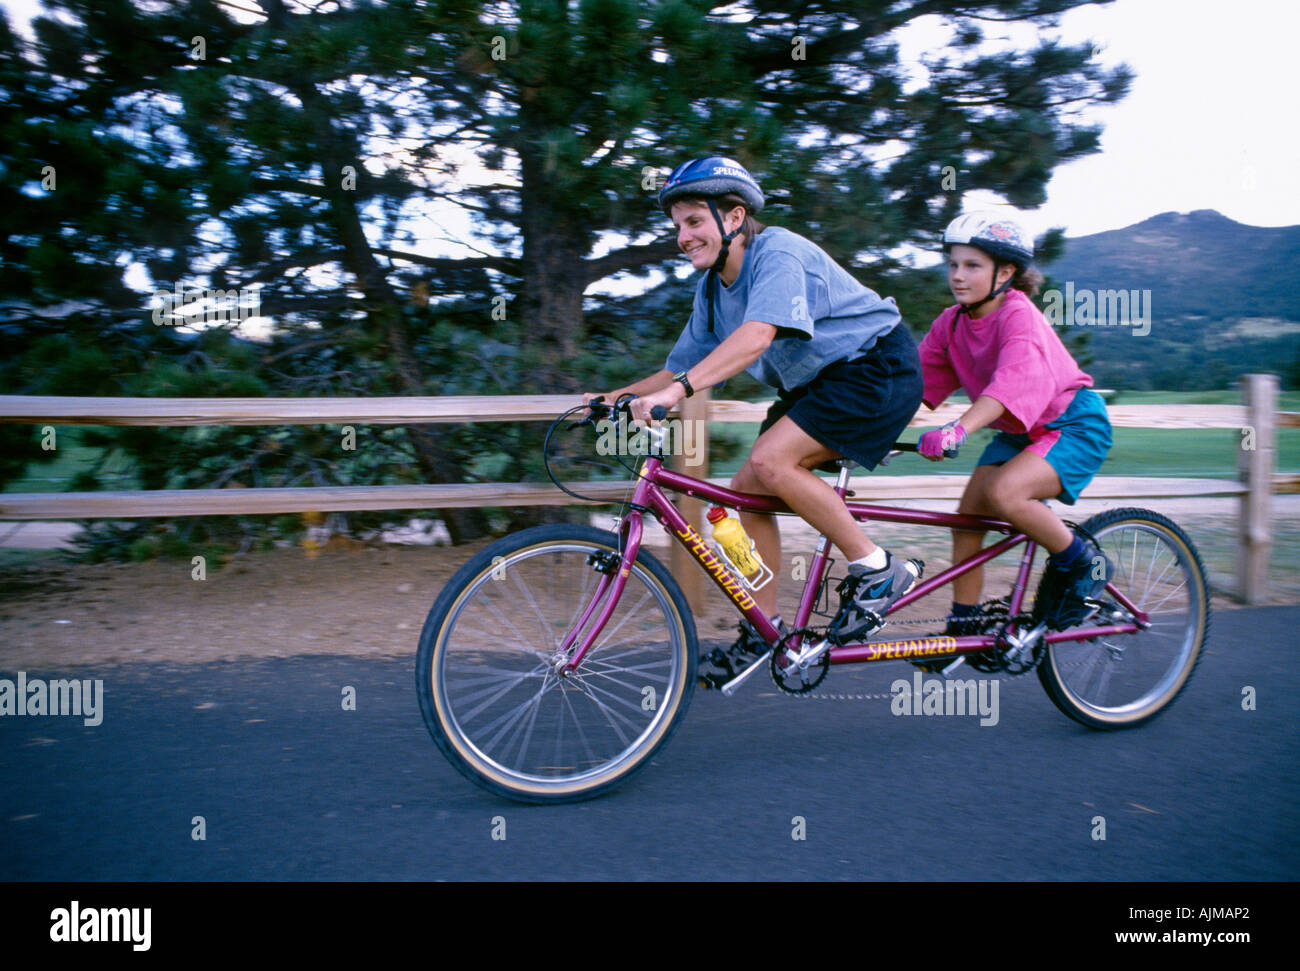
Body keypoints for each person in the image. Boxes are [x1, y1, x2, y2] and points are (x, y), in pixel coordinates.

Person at [583, 157, 925, 685]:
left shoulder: (778, 252)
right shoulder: (713, 291)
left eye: (694, 221)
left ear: (735, 217)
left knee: (771, 461)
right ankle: (763, 629)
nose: (683, 236)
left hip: (875, 365)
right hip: (818, 384)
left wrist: (679, 392)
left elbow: (757, 337)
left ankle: (879, 568)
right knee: (743, 496)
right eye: (677, 225)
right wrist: (612, 396)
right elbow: (679, 367)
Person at [915, 211, 1114, 667]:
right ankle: (963, 631)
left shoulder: (1018, 315)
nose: (957, 276)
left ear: (1005, 273)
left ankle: (1083, 564)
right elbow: (912, 388)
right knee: (966, 521)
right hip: (1017, 431)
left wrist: (957, 428)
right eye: (953, 264)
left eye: (972, 266)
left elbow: (1008, 387)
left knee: (1006, 493)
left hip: (1072, 424)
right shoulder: (951, 323)